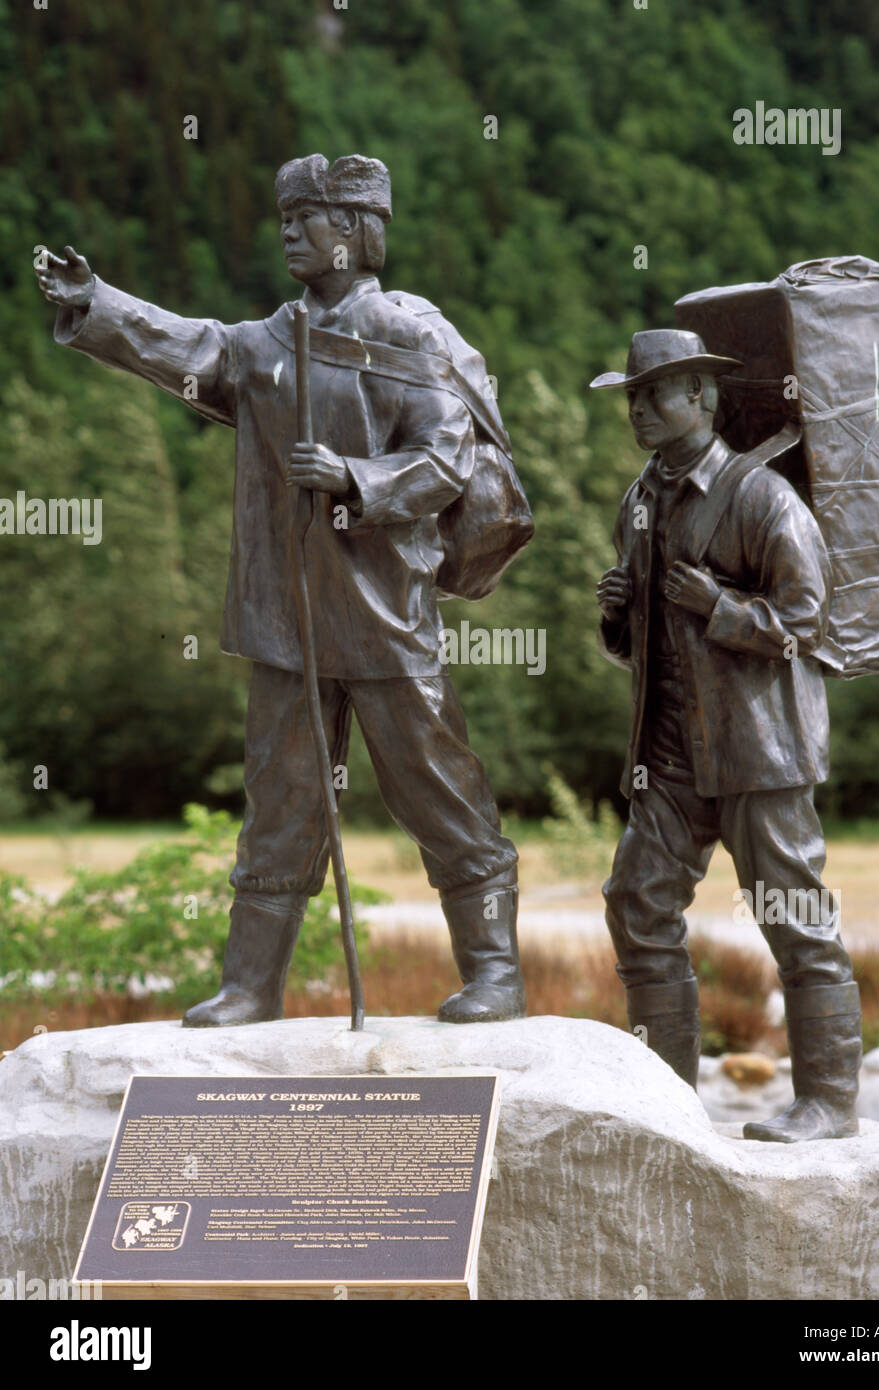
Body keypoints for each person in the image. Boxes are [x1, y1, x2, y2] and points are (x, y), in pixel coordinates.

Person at [36, 153, 525, 1027]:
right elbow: (185, 346)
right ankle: (251, 987)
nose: (291, 231)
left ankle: (495, 972)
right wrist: (99, 302)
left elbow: (447, 458)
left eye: (310, 217)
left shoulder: (410, 334)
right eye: (286, 217)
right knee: (283, 801)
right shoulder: (262, 344)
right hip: (284, 621)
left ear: (357, 231)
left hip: (384, 612)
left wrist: (353, 477)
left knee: (438, 790)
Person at [592, 328, 861, 1143]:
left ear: (703, 397)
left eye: (656, 393)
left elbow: (810, 623)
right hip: (670, 756)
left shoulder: (761, 496)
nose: (639, 407)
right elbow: (643, 640)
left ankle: (830, 1103)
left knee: (792, 912)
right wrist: (617, 617)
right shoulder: (639, 500)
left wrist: (721, 608)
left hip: (758, 749)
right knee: (636, 903)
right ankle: (669, 1102)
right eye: (633, 395)